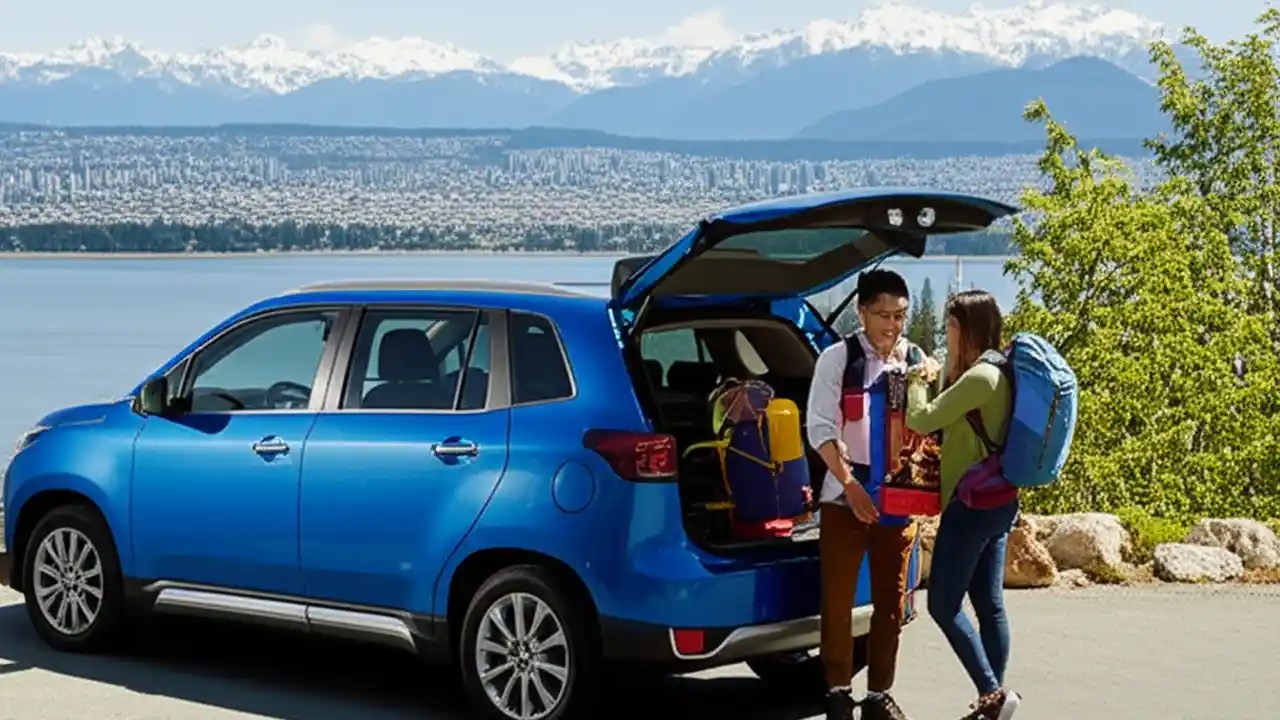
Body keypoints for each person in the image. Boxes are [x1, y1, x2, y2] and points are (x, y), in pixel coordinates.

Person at [806, 269, 921, 720]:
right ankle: (837, 689)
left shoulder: (914, 359)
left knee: (892, 600)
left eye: (900, 316)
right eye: (883, 315)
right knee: (837, 598)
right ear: (862, 312)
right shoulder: (837, 359)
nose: (893, 326)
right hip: (844, 495)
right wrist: (849, 485)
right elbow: (819, 427)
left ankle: (879, 693)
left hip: (897, 498)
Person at [904, 290, 1022, 720]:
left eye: (950, 325)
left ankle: (993, 692)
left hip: (970, 505)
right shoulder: (1002, 370)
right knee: (989, 604)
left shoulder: (979, 378)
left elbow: (921, 420)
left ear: (965, 328)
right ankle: (992, 703)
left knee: (943, 605)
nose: (946, 332)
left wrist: (918, 378)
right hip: (1001, 500)